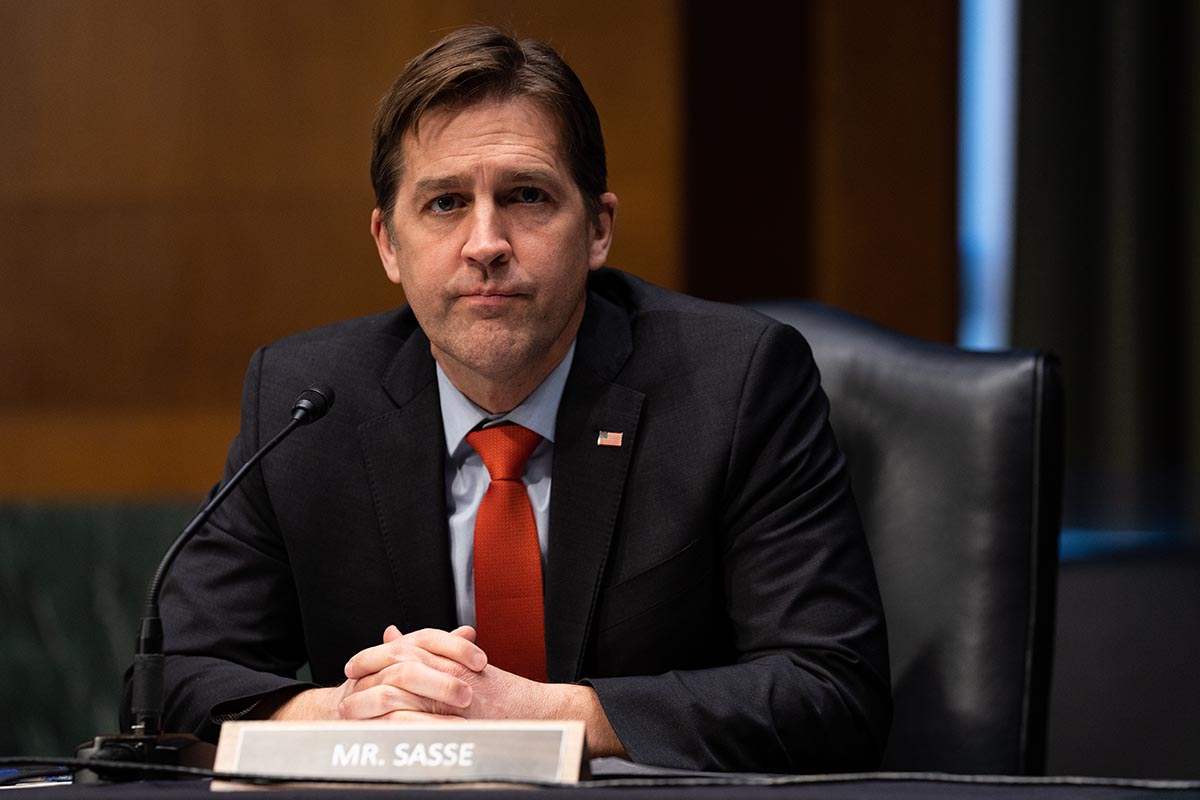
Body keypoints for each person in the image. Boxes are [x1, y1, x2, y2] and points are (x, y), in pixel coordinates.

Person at [145, 25, 891, 773]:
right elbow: (171, 681)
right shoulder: (307, 402)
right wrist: (348, 713)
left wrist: (546, 714)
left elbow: (831, 689)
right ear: (387, 244)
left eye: (526, 196)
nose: (486, 242)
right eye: (443, 203)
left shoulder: (734, 384)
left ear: (598, 230)